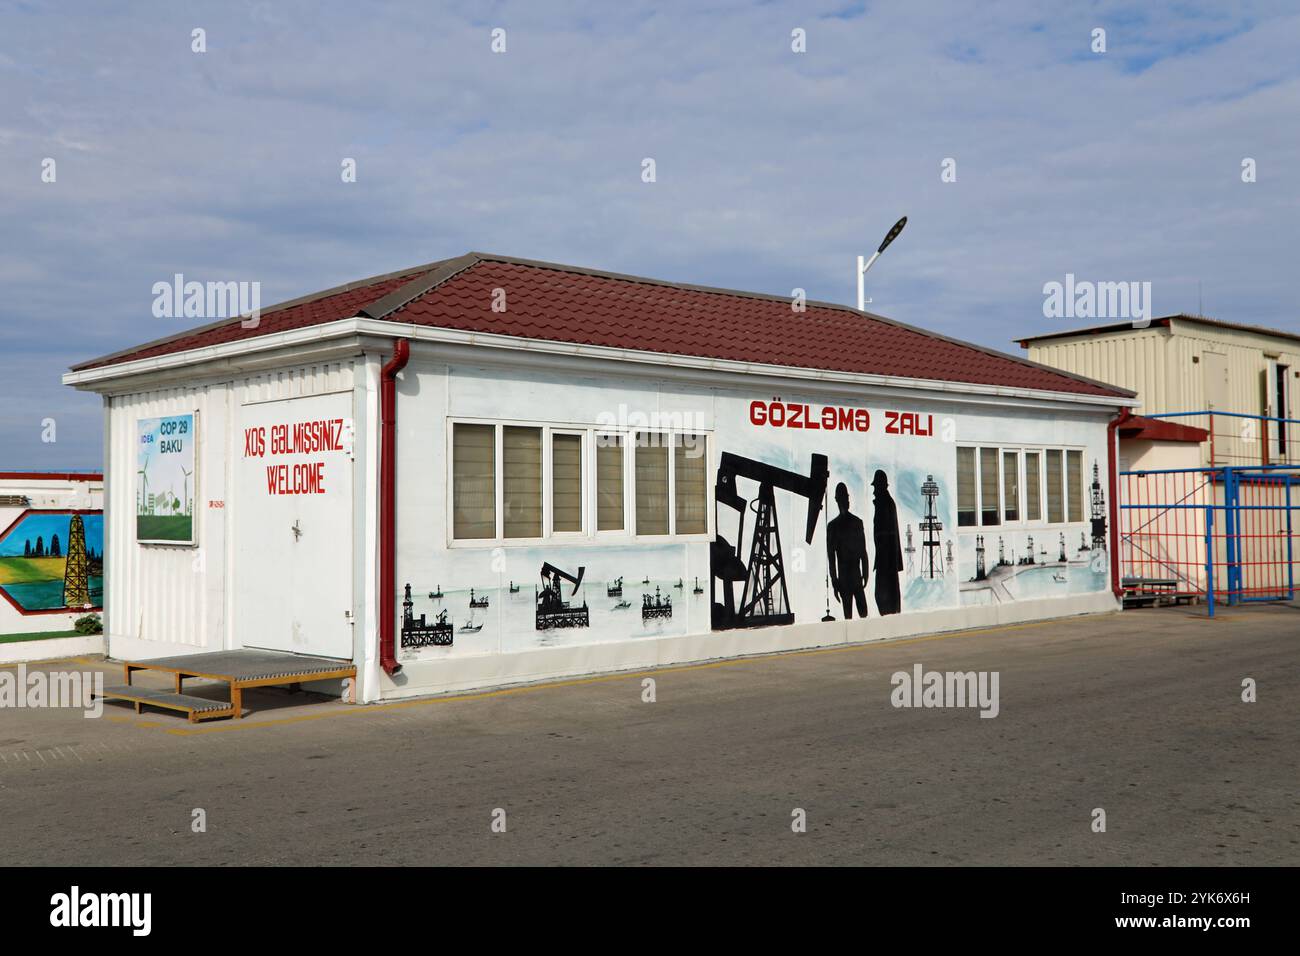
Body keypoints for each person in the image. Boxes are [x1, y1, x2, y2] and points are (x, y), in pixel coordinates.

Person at [826, 482, 869, 619]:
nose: (847, 500)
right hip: (852, 576)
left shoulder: (833, 526)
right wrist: (865, 572)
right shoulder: (856, 522)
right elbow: (863, 552)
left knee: (851, 617)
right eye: (846, 497)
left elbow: (832, 557)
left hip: (847, 577)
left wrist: (834, 581)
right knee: (861, 614)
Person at [872, 470, 904, 615]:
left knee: (883, 594)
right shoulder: (886, 503)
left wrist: (882, 559)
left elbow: (885, 536)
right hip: (887, 560)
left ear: (881, 486)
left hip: (885, 561)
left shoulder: (884, 504)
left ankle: (889, 616)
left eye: (875, 487)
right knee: (886, 593)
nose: (874, 491)